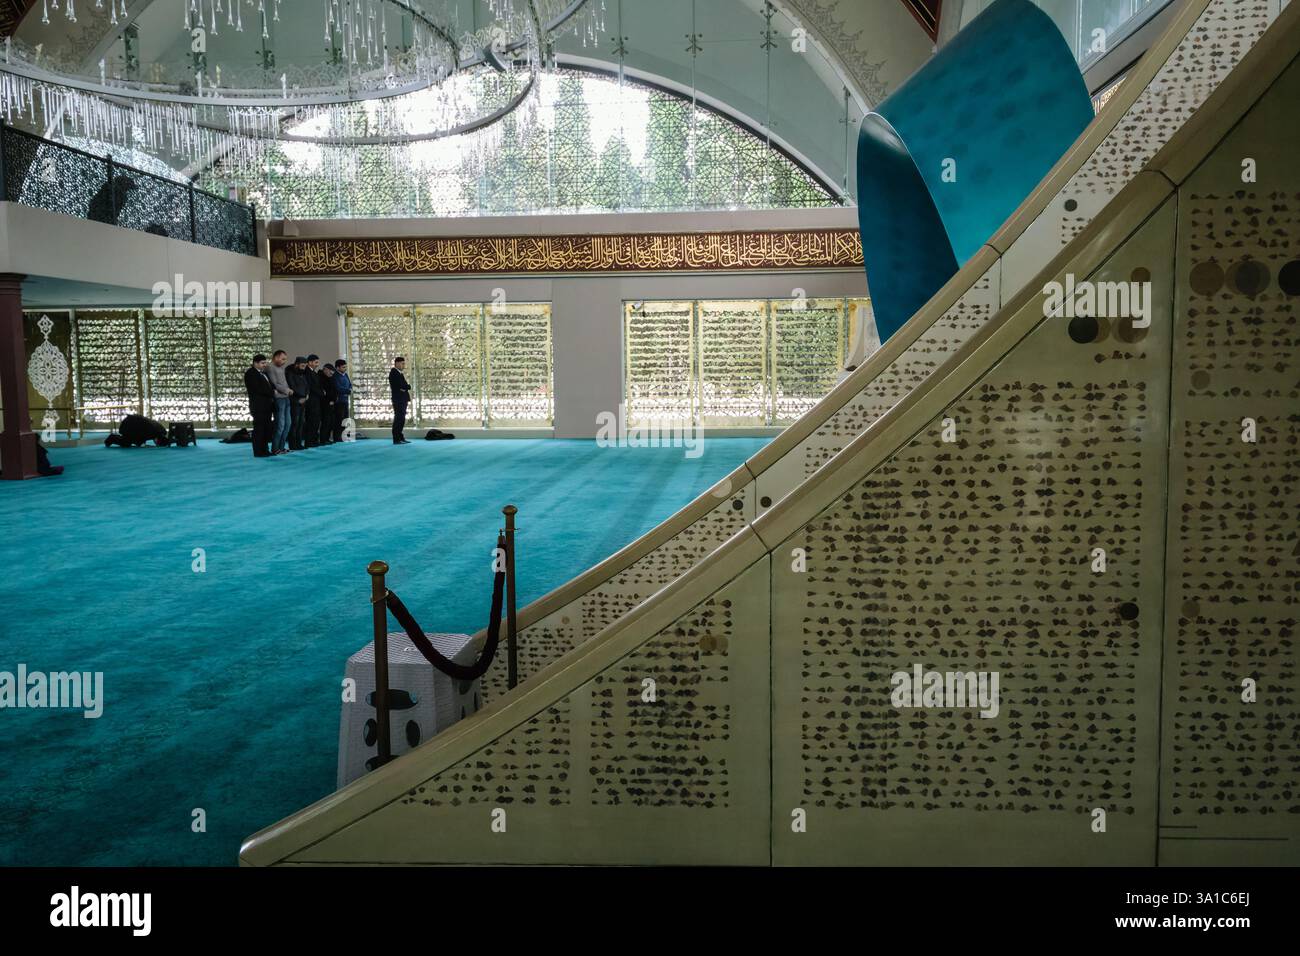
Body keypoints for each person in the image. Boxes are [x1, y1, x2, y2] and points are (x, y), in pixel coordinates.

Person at [243, 354, 276, 458]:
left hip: (266, 406)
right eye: (262, 363)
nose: (264, 365)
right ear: (255, 363)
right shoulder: (250, 373)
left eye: (265, 363)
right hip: (258, 407)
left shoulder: (263, 373)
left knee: (266, 429)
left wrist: (272, 390)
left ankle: (265, 450)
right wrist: (272, 392)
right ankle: (258, 451)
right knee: (259, 430)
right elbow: (258, 389)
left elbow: (271, 385)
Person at [266, 350, 293, 456]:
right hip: (279, 399)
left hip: (286, 398)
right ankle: (275, 448)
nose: (284, 361)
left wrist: (288, 390)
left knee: (288, 424)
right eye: (282, 359)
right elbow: (275, 384)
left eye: (285, 359)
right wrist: (287, 390)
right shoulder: (270, 368)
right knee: (280, 425)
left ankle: (281, 447)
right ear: (276, 357)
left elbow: (283, 383)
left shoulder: (281, 368)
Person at [105, 414, 171, 447]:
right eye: (157, 443)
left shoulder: (161, 431)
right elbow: (139, 437)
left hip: (134, 423)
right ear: (158, 440)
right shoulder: (152, 433)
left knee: (130, 441)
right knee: (126, 443)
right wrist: (140, 444)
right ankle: (111, 438)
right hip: (129, 424)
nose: (155, 444)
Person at [286, 356, 309, 450]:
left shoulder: (302, 373)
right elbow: (292, 387)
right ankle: (293, 445)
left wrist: (307, 395)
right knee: (294, 423)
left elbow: (307, 385)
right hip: (295, 401)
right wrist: (301, 397)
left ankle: (299, 444)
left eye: (305, 366)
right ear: (296, 364)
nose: (304, 368)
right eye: (302, 366)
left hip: (303, 401)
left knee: (301, 423)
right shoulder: (289, 373)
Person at [389, 356, 412, 444]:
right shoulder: (394, 373)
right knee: (398, 419)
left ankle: (400, 437)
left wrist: (405, 387)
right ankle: (396, 438)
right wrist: (405, 387)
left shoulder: (399, 373)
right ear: (397, 363)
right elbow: (401, 386)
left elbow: (405, 386)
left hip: (402, 399)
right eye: (402, 363)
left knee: (401, 419)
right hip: (398, 399)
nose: (404, 365)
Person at [304, 354, 324, 448]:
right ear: (310, 362)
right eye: (316, 362)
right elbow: (311, 387)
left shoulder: (314, 372)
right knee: (311, 421)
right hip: (311, 400)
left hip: (316, 400)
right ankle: (309, 441)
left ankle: (314, 440)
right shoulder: (307, 372)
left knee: (316, 421)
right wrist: (321, 393)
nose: (317, 364)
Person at [318, 363, 338, 446]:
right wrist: (329, 400)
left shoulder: (331, 378)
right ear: (325, 369)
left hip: (331, 403)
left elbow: (334, 390)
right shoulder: (320, 378)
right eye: (330, 373)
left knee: (330, 422)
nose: (331, 375)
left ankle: (327, 438)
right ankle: (323, 439)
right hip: (324, 404)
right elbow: (324, 393)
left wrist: (334, 400)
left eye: (332, 374)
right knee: (325, 422)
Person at [332, 359, 352, 442]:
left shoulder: (346, 375)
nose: (345, 368)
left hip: (345, 400)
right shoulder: (335, 376)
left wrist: (349, 389)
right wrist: (347, 391)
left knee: (346, 419)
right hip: (339, 401)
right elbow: (338, 388)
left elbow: (350, 385)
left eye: (345, 367)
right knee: (339, 420)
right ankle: (337, 437)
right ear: (337, 368)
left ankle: (345, 436)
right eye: (343, 367)